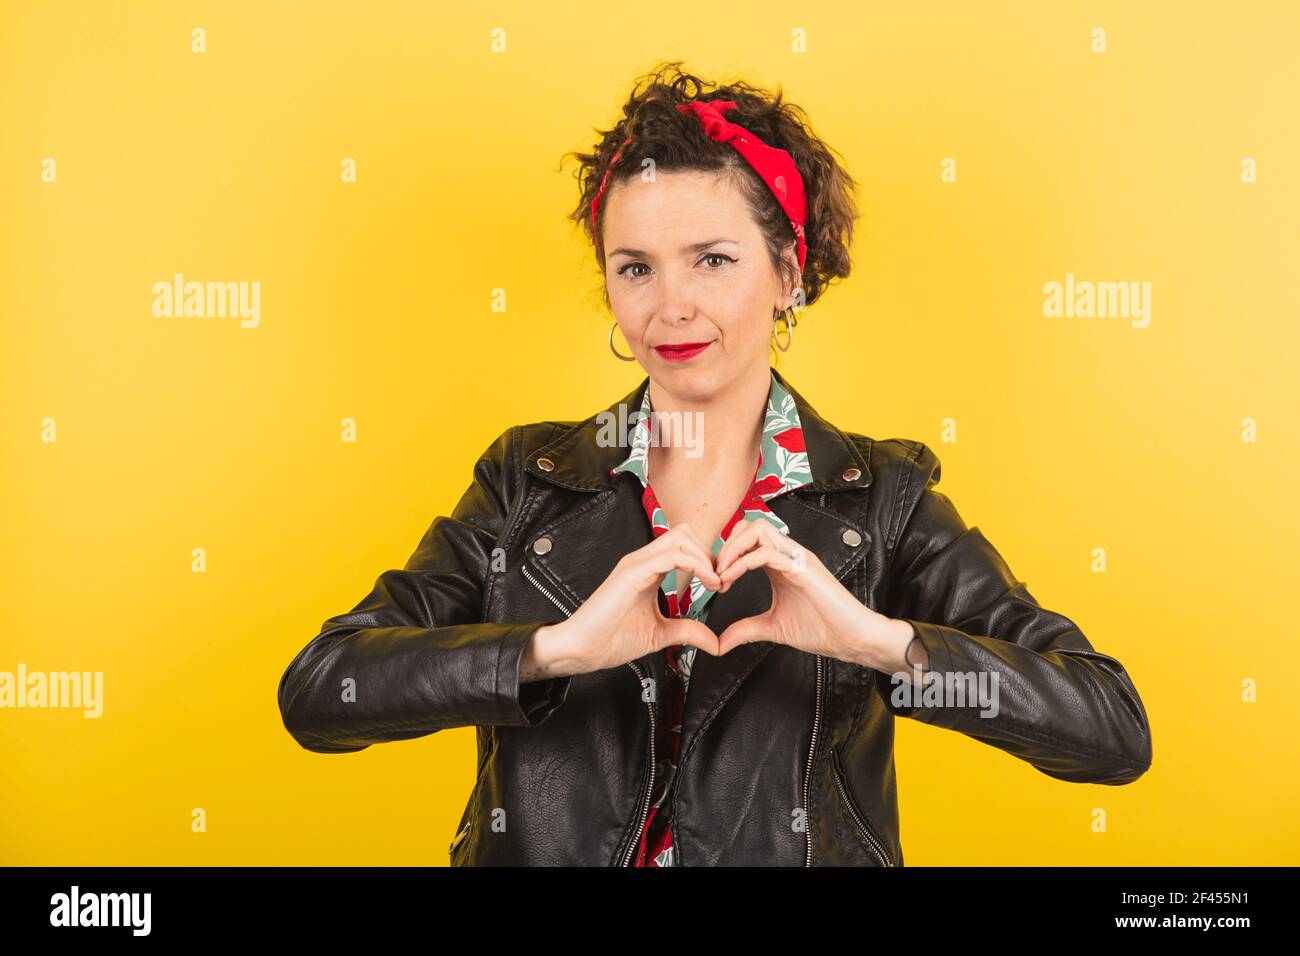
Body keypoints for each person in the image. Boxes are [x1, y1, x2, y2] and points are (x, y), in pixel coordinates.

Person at [277, 62, 1152, 867]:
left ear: (788, 274)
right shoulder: (527, 480)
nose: (671, 307)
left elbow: (1111, 730)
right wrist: (550, 652)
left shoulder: (884, 499)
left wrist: (879, 643)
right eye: (635, 269)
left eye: (714, 259)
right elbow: (323, 690)